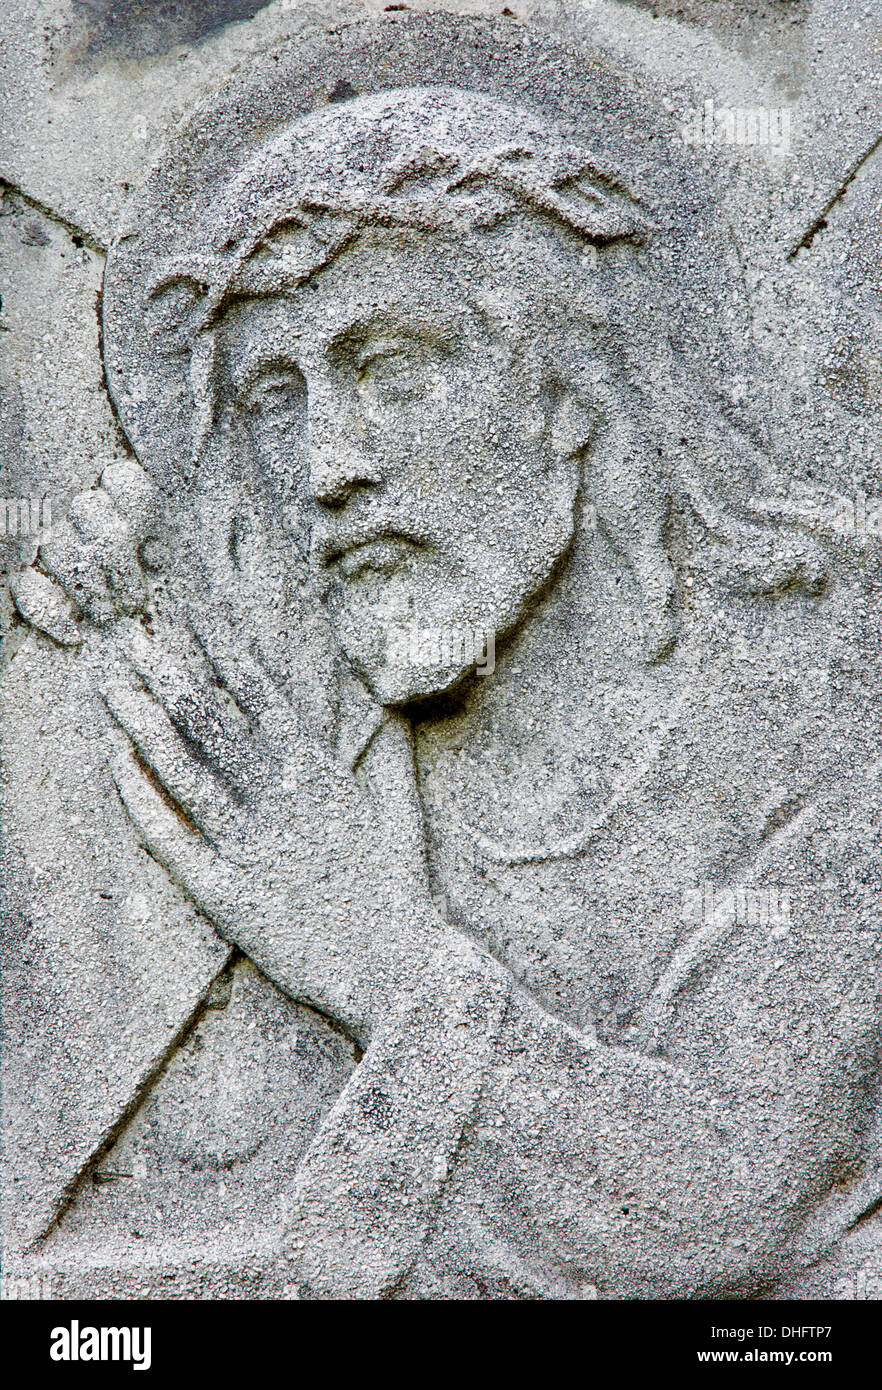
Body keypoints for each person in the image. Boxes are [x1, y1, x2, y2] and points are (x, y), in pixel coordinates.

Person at [12, 87, 882, 1298]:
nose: (328, 466)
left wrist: (378, 960)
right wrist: (91, 642)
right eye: (277, 399)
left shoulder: (832, 709)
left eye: (392, 366)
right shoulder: (303, 726)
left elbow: (727, 1209)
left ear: (566, 388)